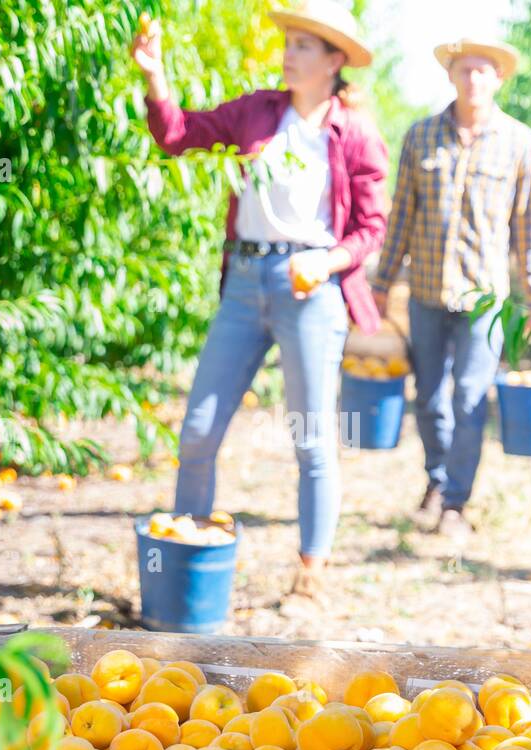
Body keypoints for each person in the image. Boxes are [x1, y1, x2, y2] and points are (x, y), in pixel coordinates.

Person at [133, 0, 388, 605]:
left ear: (334, 61)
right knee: (197, 428)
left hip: (311, 289)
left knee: (311, 434)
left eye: (303, 45)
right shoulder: (257, 112)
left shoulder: (353, 132)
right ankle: (189, 553)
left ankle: (312, 570)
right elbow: (177, 136)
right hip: (246, 281)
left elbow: (370, 230)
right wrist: (154, 77)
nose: (289, 53)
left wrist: (324, 261)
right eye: (289, 42)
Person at [372, 37, 531, 539]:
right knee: (428, 395)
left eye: (483, 71)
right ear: (451, 76)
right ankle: (435, 480)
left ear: (498, 79)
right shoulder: (421, 136)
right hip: (428, 289)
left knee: (470, 396)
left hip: (484, 298)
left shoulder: (519, 141)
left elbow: (529, 225)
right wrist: (382, 282)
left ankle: (455, 501)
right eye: (465, 70)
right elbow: (401, 215)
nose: (473, 79)